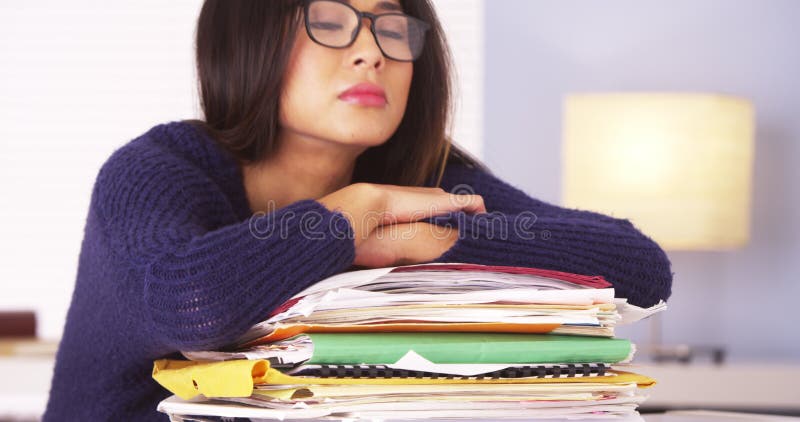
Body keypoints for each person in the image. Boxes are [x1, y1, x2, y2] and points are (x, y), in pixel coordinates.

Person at [43, 0, 673, 419]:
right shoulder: (158, 170)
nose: (371, 51)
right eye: (329, 20)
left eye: (392, 28)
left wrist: (418, 235)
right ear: (249, 38)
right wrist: (351, 217)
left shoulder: (426, 180)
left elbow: (639, 266)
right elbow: (189, 299)